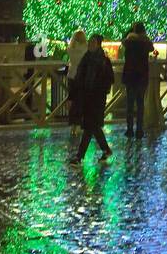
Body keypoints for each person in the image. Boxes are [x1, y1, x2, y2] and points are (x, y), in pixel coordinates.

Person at [71, 34, 114, 163]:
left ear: (98, 44)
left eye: (93, 42)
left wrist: (100, 89)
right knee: (92, 127)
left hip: (97, 98)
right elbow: (80, 76)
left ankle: (80, 156)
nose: (90, 44)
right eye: (90, 42)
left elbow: (109, 79)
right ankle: (106, 150)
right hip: (87, 97)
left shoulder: (103, 60)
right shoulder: (86, 58)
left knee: (90, 127)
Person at [122, 21, 153, 138]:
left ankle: (129, 129)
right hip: (142, 76)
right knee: (140, 103)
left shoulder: (129, 41)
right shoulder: (145, 42)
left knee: (130, 103)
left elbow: (123, 40)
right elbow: (151, 47)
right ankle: (139, 129)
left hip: (130, 75)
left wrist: (130, 31)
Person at [66, 29, 87, 133]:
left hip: (71, 76)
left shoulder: (71, 49)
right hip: (81, 77)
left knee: (72, 100)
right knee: (80, 101)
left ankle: (72, 124)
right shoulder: (86, 50)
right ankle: (79, 124)